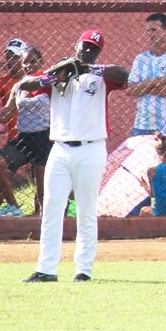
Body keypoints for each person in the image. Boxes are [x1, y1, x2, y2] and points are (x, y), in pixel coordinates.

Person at [21, 29, 128, 283]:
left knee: (85, 209)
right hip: (60, 148)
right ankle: (46, 269)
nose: (88, 51)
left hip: (91, 148)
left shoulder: (100, 77)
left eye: (94, 49)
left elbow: (124, 75)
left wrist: (92, 68)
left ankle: (83, 270)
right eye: (85, 46)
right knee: (52, 207)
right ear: (76, 45)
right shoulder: (60, 73)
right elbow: (25, 84)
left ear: (98, 53)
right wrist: (52, 76)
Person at [0, 47, 51, 217]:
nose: (29, 65)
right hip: (24, 139)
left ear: (41, 62)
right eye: (25, 62)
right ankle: (14, 207)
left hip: (45, 138)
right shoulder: (18, 86)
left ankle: (45, 222)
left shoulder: (49, 82)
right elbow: (5, 115)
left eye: (33, 61)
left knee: (42, 193)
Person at [126, 12, 166, 136]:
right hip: (142, 125)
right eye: (148, 31)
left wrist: (142, 87)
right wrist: (154, 82)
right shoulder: (141, 58)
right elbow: (130, 90)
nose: (150, 34)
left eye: (154, 30)